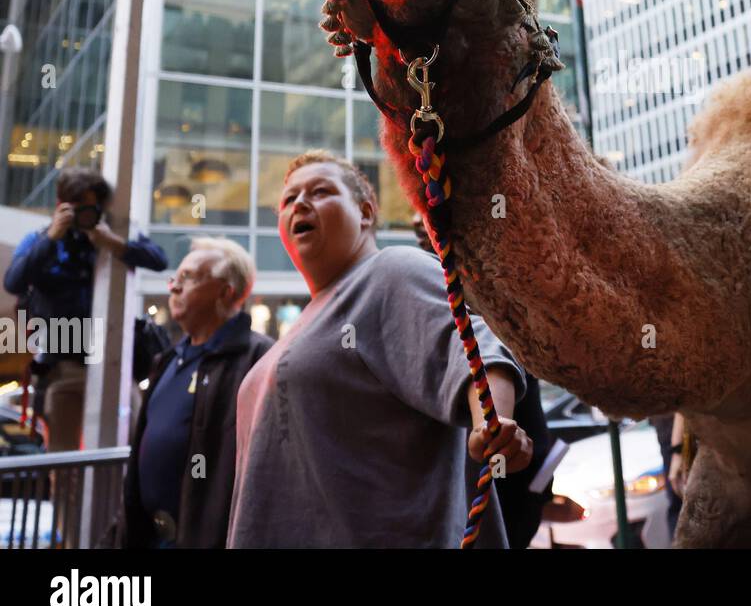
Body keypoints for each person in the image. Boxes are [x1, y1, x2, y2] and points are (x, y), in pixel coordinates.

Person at [227, 150, 532, 548]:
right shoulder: (301, 326)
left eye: (320, 191)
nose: (299, 203)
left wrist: (492, 427)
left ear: (365, 213)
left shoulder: (389, 272)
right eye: (288, 200)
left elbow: (477, 352)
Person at [3, 167, 167, 453]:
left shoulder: (109, 237)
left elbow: (158, 259)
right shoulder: (41, 240)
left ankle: (119, 500)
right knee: (63, 459)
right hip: (65, 365)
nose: (83, 216)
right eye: (76, 208)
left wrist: (112, 243)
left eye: (90, 208)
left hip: (115, 363)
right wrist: (51, 238)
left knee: (129, 449)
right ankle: (67, 501)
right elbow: (14, 281)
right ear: (62, 206)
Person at [121, 238, 271, 548]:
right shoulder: (167, 360)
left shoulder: (260, 359)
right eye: (175, 278)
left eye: (188, 278)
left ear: (226, 291)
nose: (174, 287)